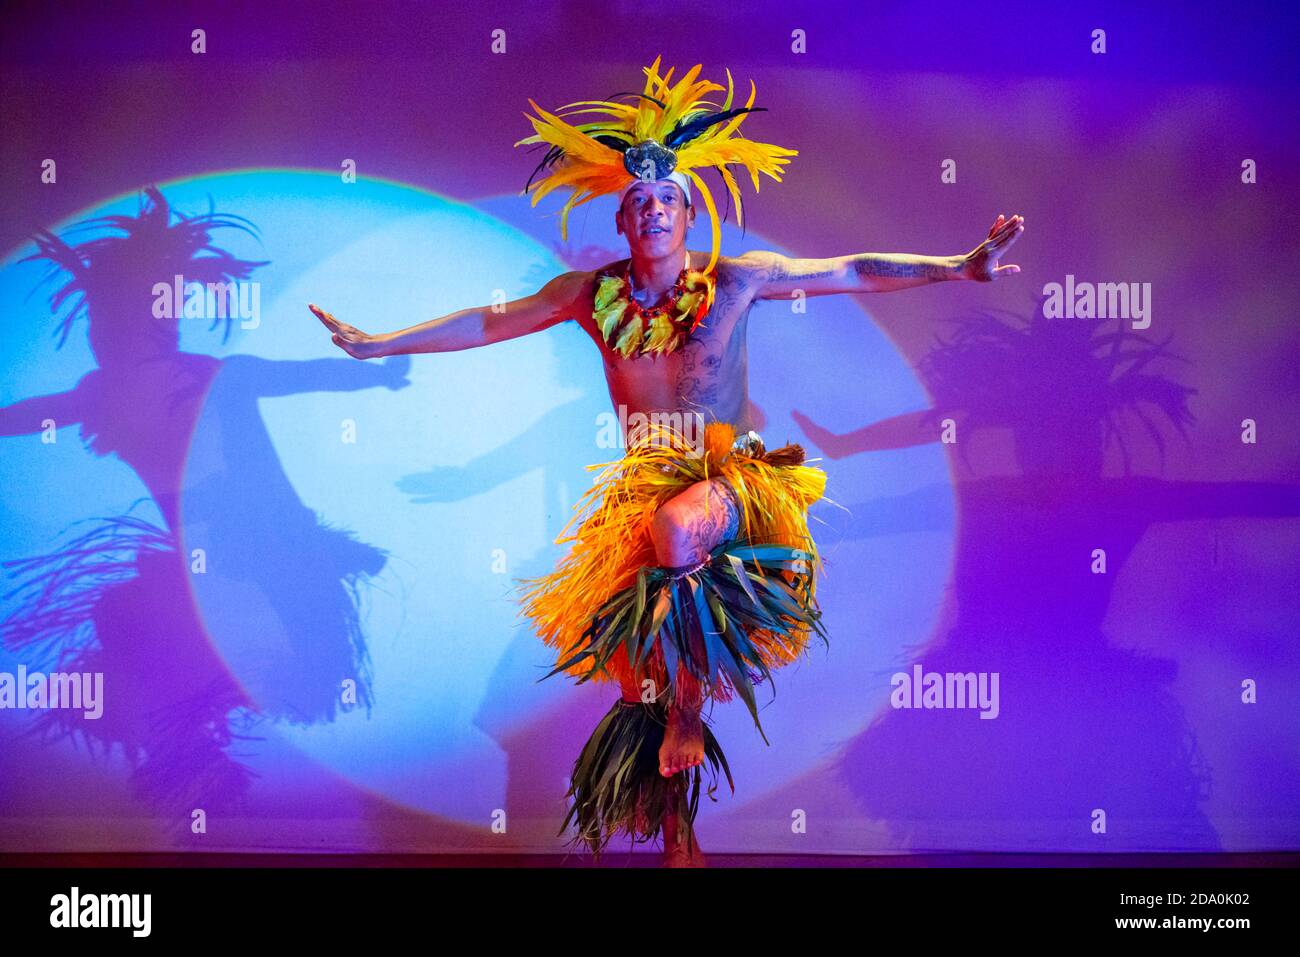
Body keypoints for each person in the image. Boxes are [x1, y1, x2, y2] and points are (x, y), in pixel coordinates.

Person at [310, 56, 1025, 866]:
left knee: (677, 527)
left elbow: (851, 270)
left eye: (668, 201)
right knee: (637, 680)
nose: (653, 211)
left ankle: (688, 714)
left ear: (690, 217)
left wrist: (958, 267)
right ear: (623, 223)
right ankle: (679, 837)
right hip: (639, 504)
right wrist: (380, 344)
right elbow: (490, 321)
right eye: (639, 201)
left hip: (728, 486)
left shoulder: (738, 282)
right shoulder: (589, 295)